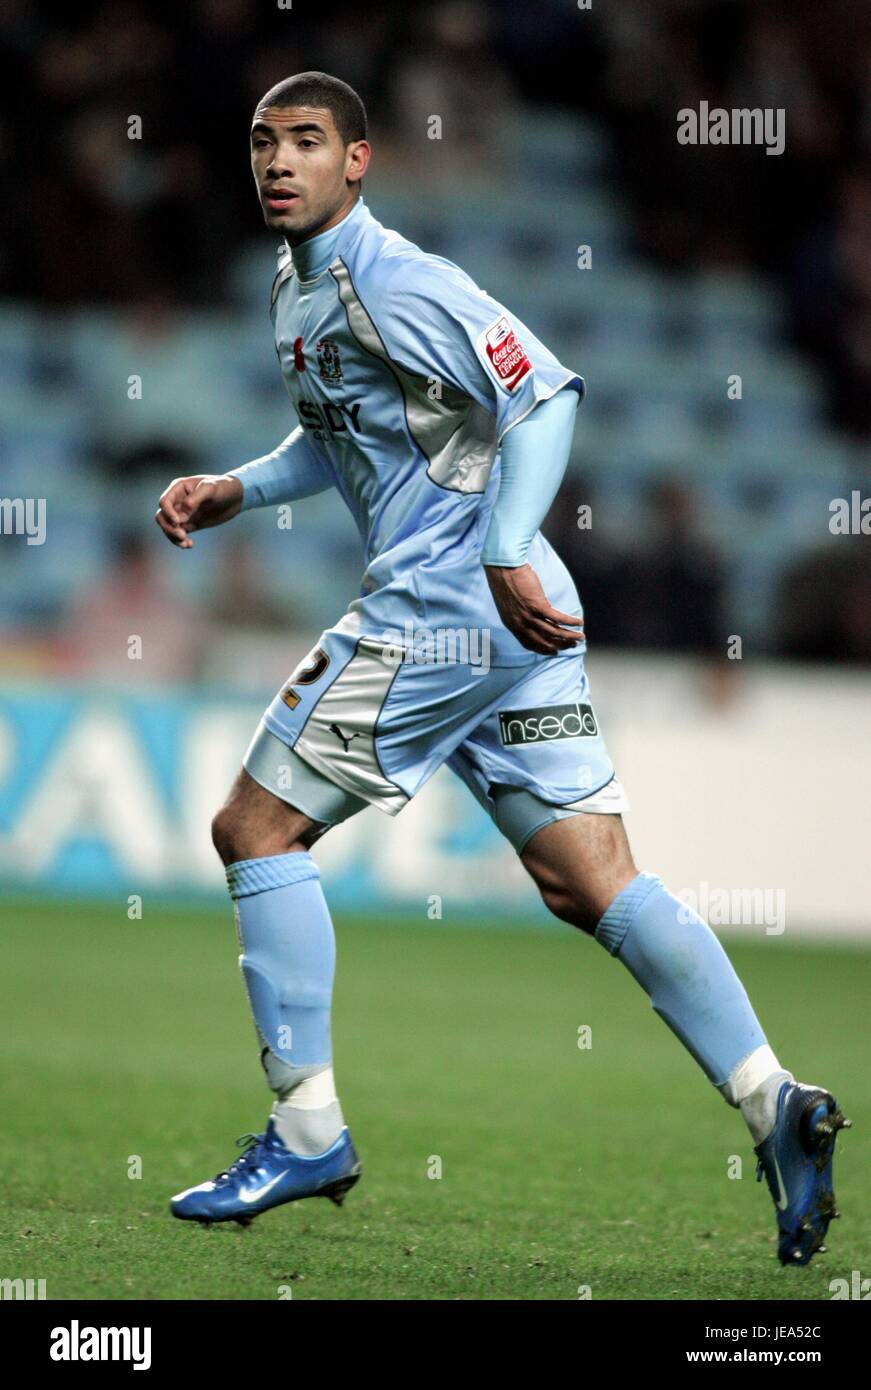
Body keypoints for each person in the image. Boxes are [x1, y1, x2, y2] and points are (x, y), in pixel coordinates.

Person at [155, 71, 848, 1264]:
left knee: (254, 830)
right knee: (591, 880)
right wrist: (235, 489)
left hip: (450, 606)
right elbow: (344, 436)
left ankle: (306, 1126)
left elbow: (545, 393)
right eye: (264, 143)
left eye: (308, 142)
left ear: (359, 159)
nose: (280, 162)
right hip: (509, 628)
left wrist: (506, 546)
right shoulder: (299, 291)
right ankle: (772, 1099)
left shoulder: (397, 280)